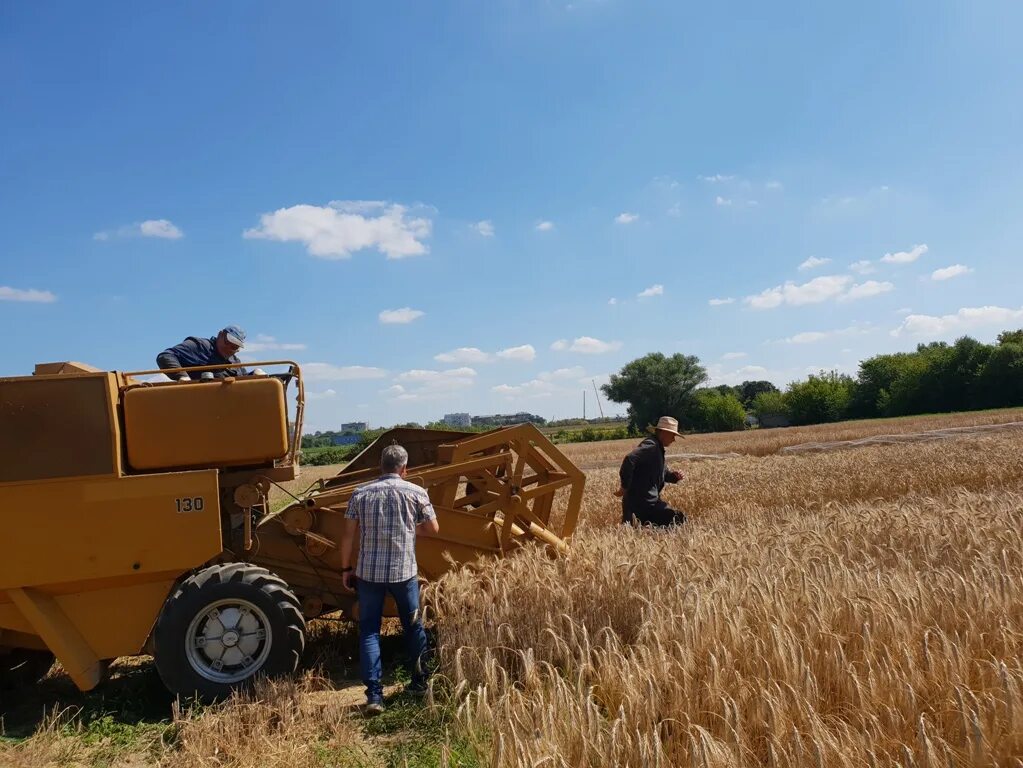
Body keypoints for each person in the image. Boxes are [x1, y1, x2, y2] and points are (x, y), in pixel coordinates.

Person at [340, 444, 440, 715]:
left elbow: (348, 536)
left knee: (369, 631)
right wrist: (409, 527)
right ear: (405, 468)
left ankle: (374, 696)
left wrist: (346, 569)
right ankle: (420, 683)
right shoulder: (417, 492)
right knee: (413, 627)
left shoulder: (360, 493)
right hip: (403, 572)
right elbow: (433, 528)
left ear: (379, 466)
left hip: (368, 574)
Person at [617, 416, 687, 527]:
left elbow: (662, 474)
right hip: (641, 506)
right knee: (677, 521)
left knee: (677, 520)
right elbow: (629, 459)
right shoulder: (651, 446)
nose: (674, 439)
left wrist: (674, 477)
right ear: (664, 432)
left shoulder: (657, 448)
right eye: (673, 435)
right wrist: (624, 487)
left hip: (649, 503)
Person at [156, 326, 249, 380]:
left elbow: (245, 378)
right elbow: (166, 356)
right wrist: (182, 377)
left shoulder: (236, 362)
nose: (229, 348)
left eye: (234, 346)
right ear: (220, 335)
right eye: (228, 342)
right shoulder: (200, 346)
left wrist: (255, 374)